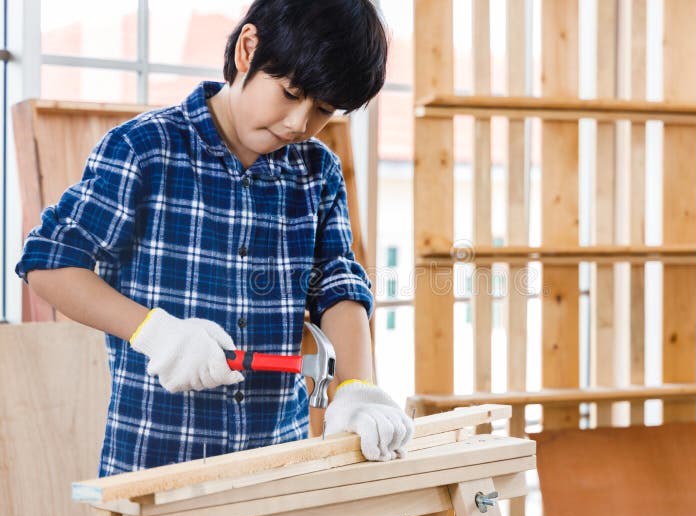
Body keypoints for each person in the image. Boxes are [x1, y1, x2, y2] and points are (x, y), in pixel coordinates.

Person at [15, 0, 412, 476]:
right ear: (248, 50)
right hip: (155, 470)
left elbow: (338, 285)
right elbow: (47, 263)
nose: (299, 124)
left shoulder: (316, 172)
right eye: (290, 93)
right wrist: (156, 332)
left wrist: (356, 389)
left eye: (323, 110)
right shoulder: (145, 150)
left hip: (275, 469)